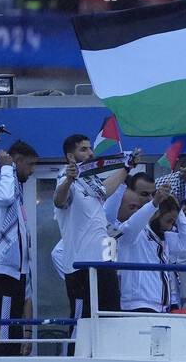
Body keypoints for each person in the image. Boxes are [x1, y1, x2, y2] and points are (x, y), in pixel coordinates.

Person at [53, 134, 141, 318]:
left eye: (90, 148)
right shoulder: (65, 178)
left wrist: (127, 167)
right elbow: (58, 200)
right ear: (70, 156)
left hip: (103, 263)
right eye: (83, 149)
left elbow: (106, 189)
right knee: (82, 326)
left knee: (110, 320)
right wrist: (69, 180)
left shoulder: (91, 182)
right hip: (81, 268)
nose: (91, 153)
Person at [0, 140, 39, 355]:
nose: (32, 171)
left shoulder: (16, 192)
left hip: (17, 270)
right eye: (30, 165)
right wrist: (6, 167)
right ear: (18, 161)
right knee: (3, 330)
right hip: (3, 268)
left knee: (13, 327)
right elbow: (5, 197)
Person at [118, 189, 186, 313]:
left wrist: (179, 213)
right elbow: (130, 226)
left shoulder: (165, 237)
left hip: (162, 307)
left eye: (174, 222)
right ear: (156, 214)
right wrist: (154, 204)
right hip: (138, 305)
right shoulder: (135, 235)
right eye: (169, 220)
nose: (171, 226)